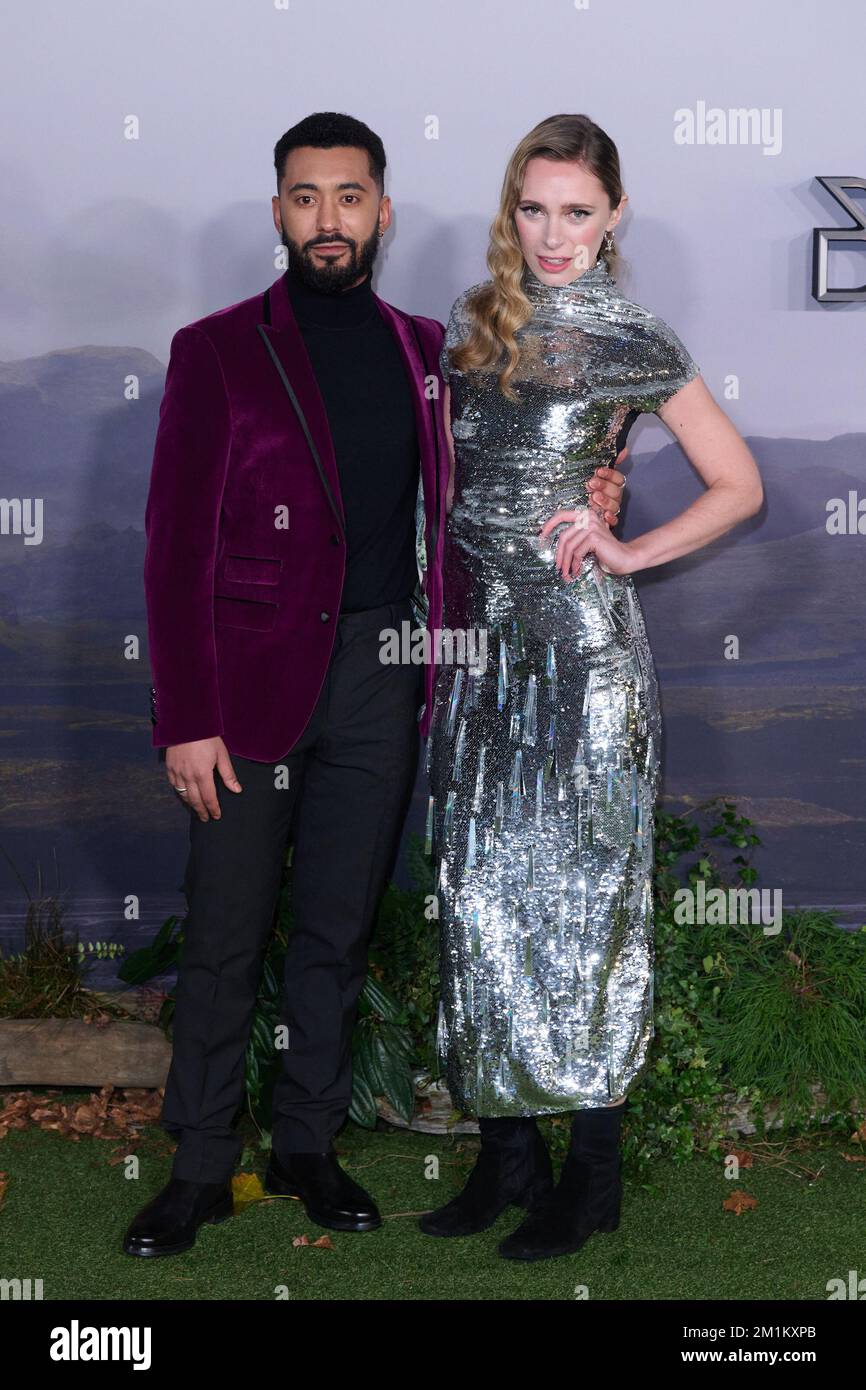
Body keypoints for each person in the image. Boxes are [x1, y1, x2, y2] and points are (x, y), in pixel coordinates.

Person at [125, 107, 634, 1259]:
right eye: (305, 198)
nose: (327, 219)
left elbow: (511, 469)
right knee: (223, 935)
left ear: (381, 211)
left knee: (335, 932)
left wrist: (603, 488)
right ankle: (199, 1164)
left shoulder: (423, 351)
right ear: (278, 213)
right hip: (246, 696)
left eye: (348, 197)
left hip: (384, 674)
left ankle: (305, 1144)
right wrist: (187, 719)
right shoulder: (214, 349)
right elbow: (171, 549)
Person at [419, 113, 763, 1261]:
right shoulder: (475, 324)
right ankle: (503, 1160)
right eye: (533, 208)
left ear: (613, 215)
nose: (553, 233)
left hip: (581, 659)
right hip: (482, 658)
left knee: (585, 911)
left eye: (577, 210)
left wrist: (625, 545)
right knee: (480, 896)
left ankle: (592, 1175)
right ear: (508, 210)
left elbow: (737, 485)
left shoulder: (633, 337)